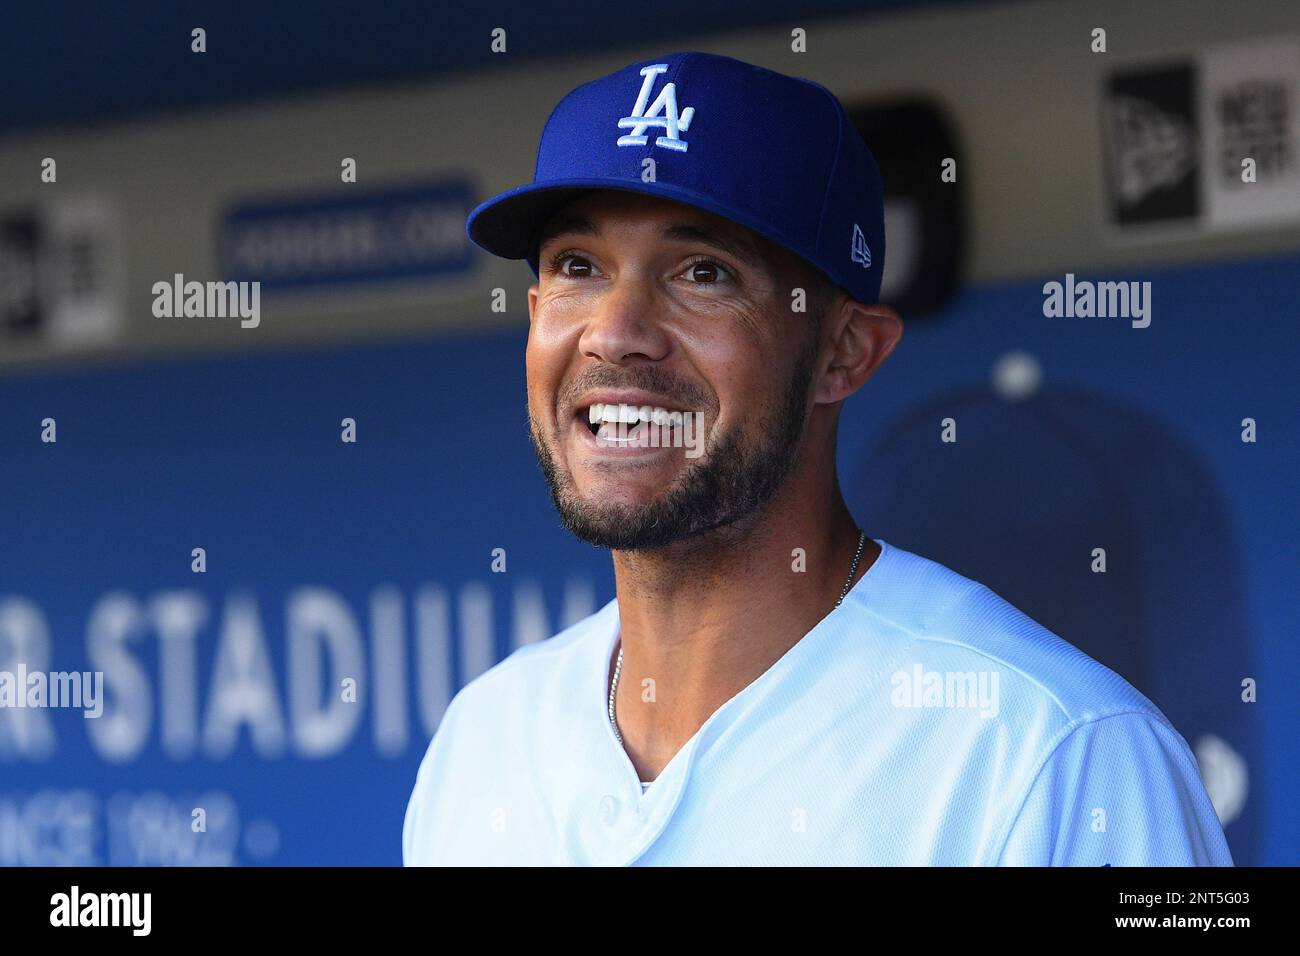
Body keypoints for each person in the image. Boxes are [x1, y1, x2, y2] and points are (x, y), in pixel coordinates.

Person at [402, 51, 1232, 866]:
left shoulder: (1060, 754)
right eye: (578, 267)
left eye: (702, 272)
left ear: (845, 351)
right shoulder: (484, 740)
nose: (616, 332)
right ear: (537, 312)